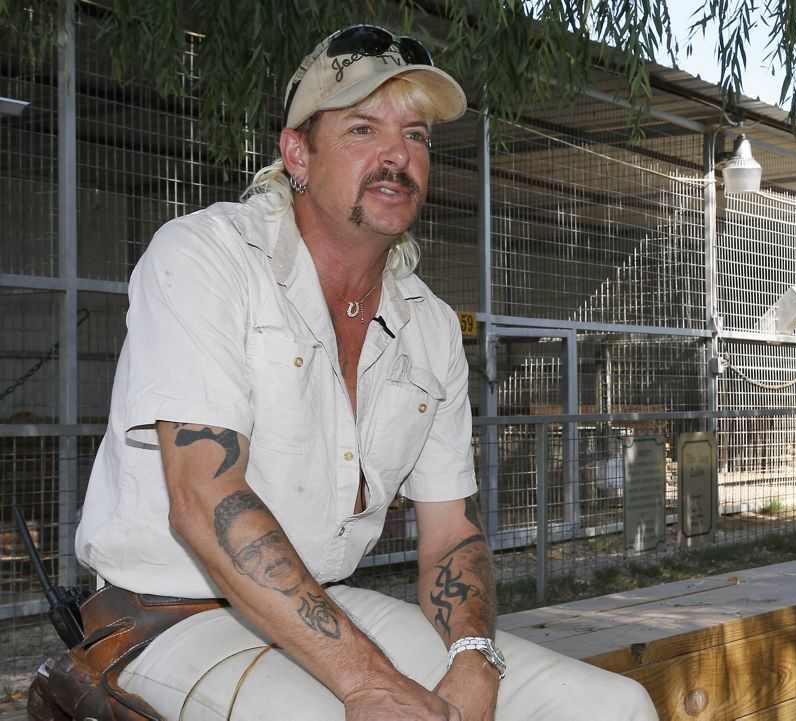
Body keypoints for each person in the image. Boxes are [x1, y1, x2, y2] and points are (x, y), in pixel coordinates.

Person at [74, 25, 659, 720]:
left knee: (613, 705)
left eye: (415, 136)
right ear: (298, 152)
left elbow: (452, 532)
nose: (395, 155)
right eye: (361, 128)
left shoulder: (431, 326)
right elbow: (203, 498)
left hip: (327, 601)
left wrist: (474, 656)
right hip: (165, 620)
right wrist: (367, 681)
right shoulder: (205, 257)